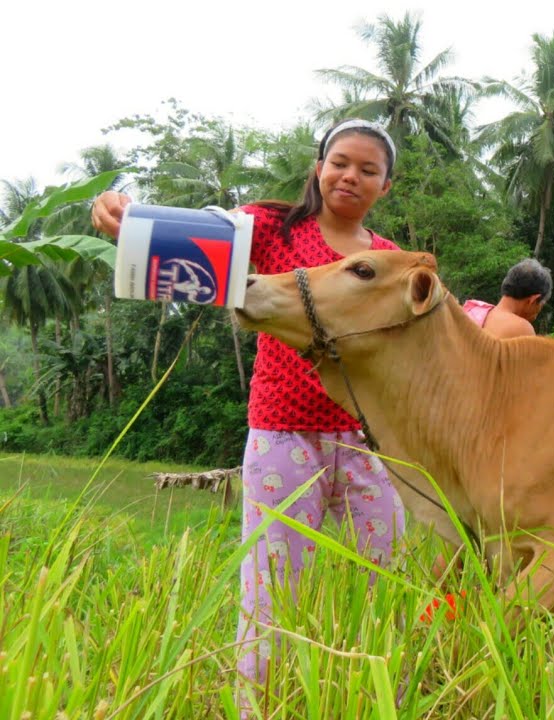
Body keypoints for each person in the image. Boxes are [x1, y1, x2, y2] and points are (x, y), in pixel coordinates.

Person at [90, 118, 406, 711]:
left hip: (368, 437)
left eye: (369, 170)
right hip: (285, 432)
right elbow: (181, 239)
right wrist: (121, 216)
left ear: (385, 186)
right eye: (340, 162)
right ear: (319, 168)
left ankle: (375, 699)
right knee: (270, 584)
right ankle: (255, 706)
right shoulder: (273, 229)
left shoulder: (388, 259)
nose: (351, 176)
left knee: (384, 577)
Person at [461, 258, 553, 339]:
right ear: (533, 300)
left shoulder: (473, 312)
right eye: (541, 305)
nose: (537, 314)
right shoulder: (521, 328)